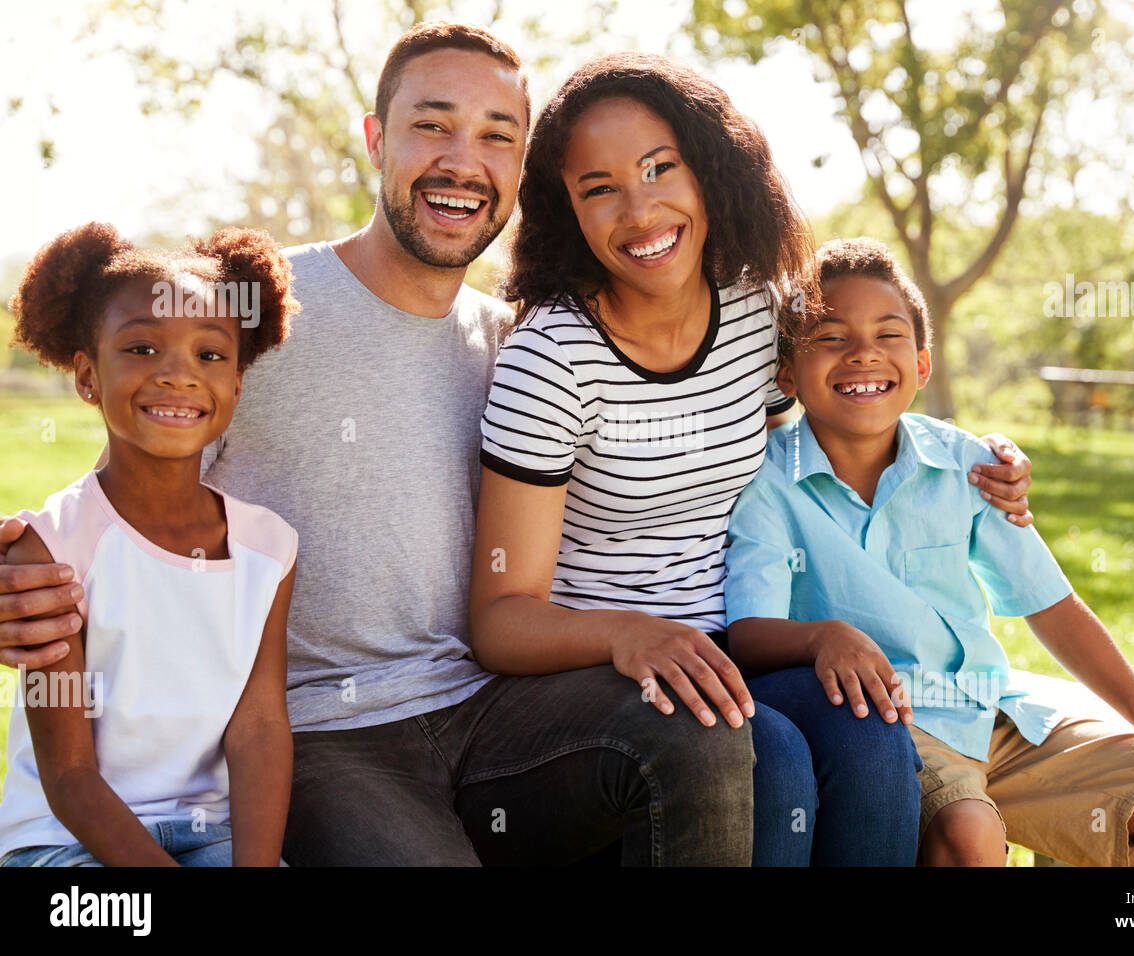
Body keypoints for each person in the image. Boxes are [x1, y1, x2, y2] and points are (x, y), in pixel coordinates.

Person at [0, 22, 759, 866]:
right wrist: (18, 578)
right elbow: (124, 483)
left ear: (518, 171)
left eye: (496, 137)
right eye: (432, 124)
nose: (462, 161)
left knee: (698, 735)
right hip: (325, 732)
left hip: (488, 709)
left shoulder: (515, 343)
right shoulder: (258, 319)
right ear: (375, 139)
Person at [469, 53, 1035, 865]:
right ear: (568, 210)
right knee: (771, 757)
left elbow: (849, 414)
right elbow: (499, 620)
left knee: (871, 729)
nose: (640, 208)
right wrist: (633, 634)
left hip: (736, 647)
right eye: (599, 188)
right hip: (588, 677)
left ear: (712, 170)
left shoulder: (754, 312)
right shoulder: (552, 360)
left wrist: (982, 460)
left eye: (661, 167)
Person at [722, 236, 1134, 866]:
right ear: (787, 373)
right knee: (971, 836)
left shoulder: (970, 465)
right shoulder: (766, 484)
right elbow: (749, 633)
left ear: (922, 364)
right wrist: (822, 638)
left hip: (994, 712)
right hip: (895, 732)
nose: (863, 353)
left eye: (888, 334)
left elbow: (1050, 605)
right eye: (832, 337)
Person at [0, 223, 299, 866]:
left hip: (209, 835)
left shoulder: (268, 551)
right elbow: (71, 778)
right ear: (87, 377)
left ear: (238, 385)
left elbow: (260, 728)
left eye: (210, 356)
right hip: (62, 845)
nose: (178, 376)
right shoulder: (49, 551)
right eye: (141, 347)